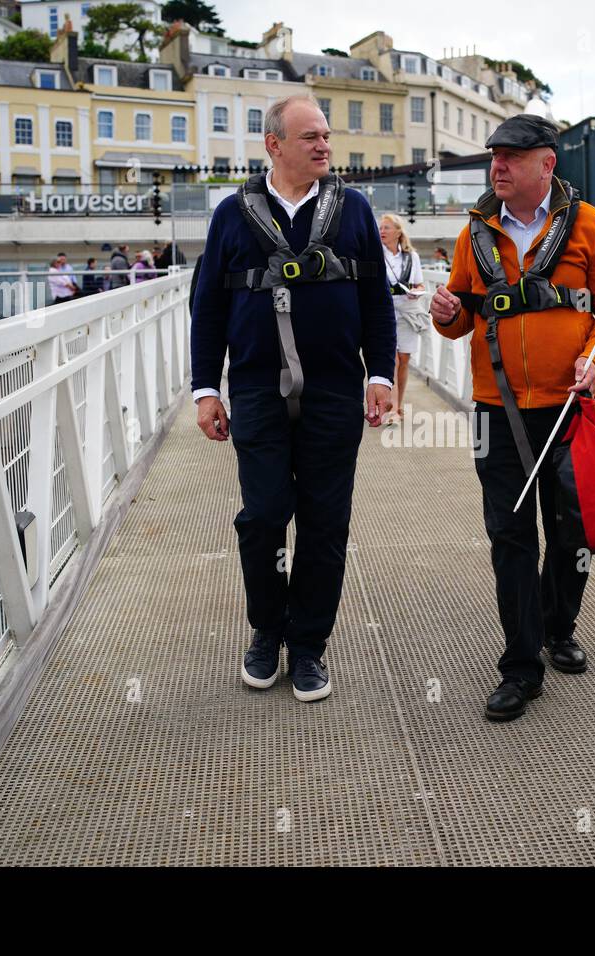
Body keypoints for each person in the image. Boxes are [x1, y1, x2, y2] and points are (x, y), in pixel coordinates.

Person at [190, 93, 394, 703]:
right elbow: (208, 308)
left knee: (327, 524)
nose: (324, 145)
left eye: (326, 136)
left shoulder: (354, 210)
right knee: (262, 516)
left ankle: (308, 647)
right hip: (255, 390)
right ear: (274, 145)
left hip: (334, 392)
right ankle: (265, 631)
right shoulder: (231, 215)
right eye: (310, 137)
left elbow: (377, 302)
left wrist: (379, 376)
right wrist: (206, 389)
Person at [428, 113, 595, 722]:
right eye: (495, 157)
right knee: (509, 535)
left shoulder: (590, 225)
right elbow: (463, 315)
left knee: (570, 530)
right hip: (499, 409)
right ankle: (520, 667)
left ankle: (558, 625)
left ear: (547, 164)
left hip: (571, 406)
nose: (498, 167)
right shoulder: (476, 232)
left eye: (511, 158)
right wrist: (444, 312)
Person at [378, 212, 428, 426]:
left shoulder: (412, 256)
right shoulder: (376, 254)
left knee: (404, 360)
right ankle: (392, 411)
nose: (382, 231)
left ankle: (398, 404)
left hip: (407, 309)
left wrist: (415, 291)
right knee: (394, 360)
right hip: (386, 310)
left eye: (387, 227)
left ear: (398, 231)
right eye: (381, 227)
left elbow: (420, 284)